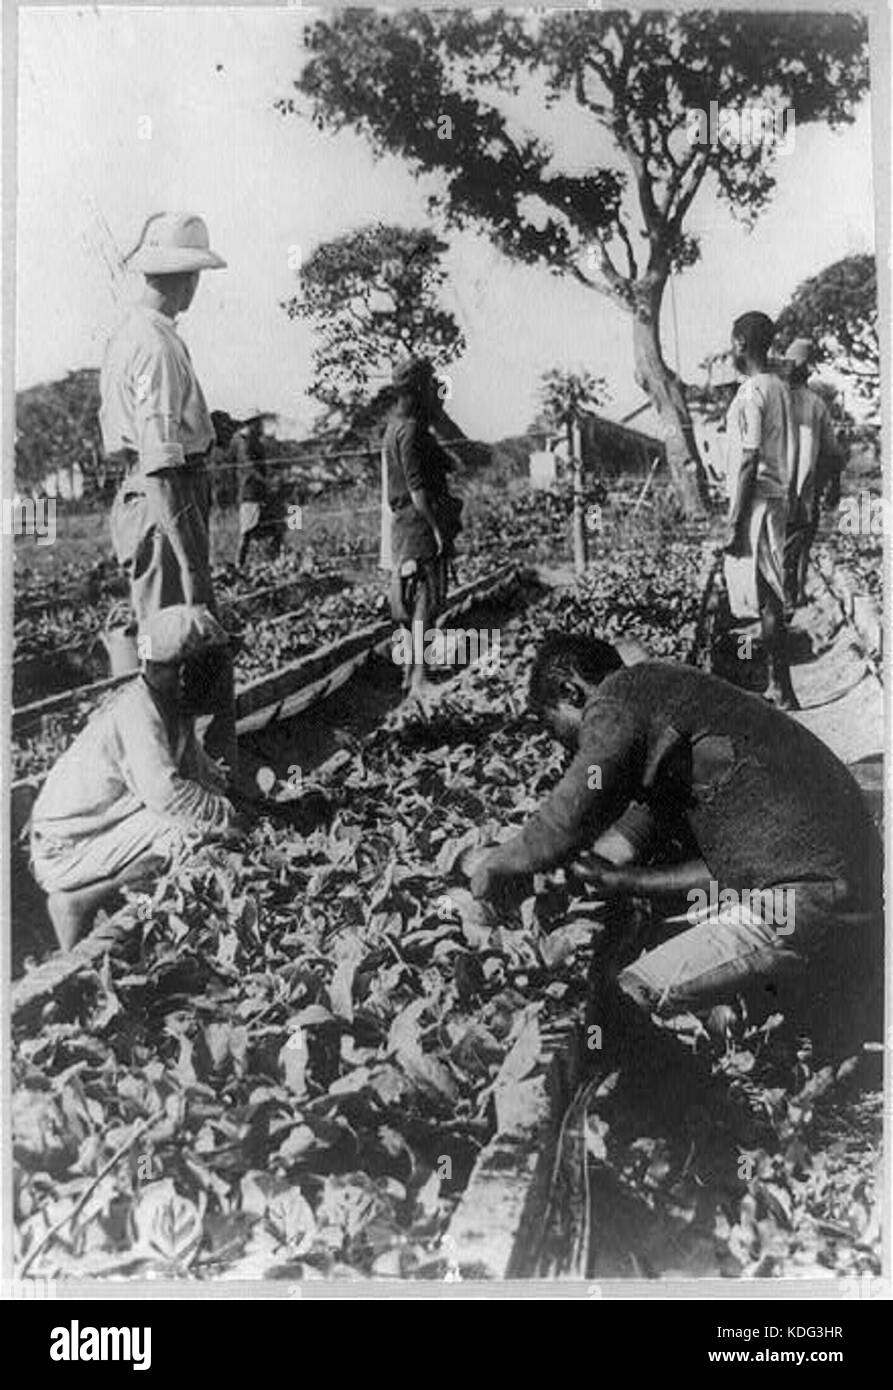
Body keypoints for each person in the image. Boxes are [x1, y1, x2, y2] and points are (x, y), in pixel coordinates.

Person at [469, 633, 882, 1054]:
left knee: (630, 996)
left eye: (560, 731)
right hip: (833, 884)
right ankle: (760, 1008)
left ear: (572, 691)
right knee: (662, 939)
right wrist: (613, 873)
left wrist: (495, 867)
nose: (572, 748)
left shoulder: (615, 700)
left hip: (806, 905)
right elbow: (648, 827)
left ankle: (745, 1049)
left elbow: (567, 816)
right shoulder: (664, 694)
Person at [99, 211, 238, 774]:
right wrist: (196, 571)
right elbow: (161, 467)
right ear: (187, 276)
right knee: (181, 650)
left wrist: (206, 429)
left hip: (151, 496)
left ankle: (192, 779)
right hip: (165, 503)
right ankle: (187, 790)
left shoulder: (134, 334)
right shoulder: (155, 347)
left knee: (177, 653)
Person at [30, 605, 243, 951]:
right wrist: (228, 818)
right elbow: (170, 796)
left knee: (196, 823)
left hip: (95, 830)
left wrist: (238, 803)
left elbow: (201, 774)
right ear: (183, 672)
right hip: (64, 848)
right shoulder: (138, 714)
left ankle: (100, 901)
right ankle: (78, 903)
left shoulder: (171, 708)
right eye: (211, 668)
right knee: (186, 832)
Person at [723, 311, 799, 709]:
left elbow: (749, 459)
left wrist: (735, 521)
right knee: (771, 593)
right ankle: (781, 685)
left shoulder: (753, 391)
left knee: (768, 596)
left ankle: (780, 688)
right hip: (775, 497)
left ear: (740, 342)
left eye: (732, 341)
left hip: (757, 501)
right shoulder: (779, 387)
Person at [384, 357, 463, 697]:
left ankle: (409, 674)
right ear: (415, 390)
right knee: (423, 602)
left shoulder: (396, 426)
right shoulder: (412, 429)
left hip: (404, 521)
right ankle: (419, 679)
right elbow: (417, 490)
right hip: (418, 521)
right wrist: (436, 530)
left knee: (411, 598)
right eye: (427, 385)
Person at [782, 339, 843, 609]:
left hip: (776, 486)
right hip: (806, 488)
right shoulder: (817, 405)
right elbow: (832, 452)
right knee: (803, 542)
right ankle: (796, 594)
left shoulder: (775, 399)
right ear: (808, 371)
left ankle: (783, 595)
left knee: (780, 543)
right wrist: (834, 485)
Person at [236, 415, 285, 565]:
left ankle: (277, 559)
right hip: (251, 494)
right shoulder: (246, 444)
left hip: (262, 493)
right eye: (258, 424)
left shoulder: (258, 443)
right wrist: (267, 481)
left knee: (281, 525)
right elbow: (251, 469)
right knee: (247, 532)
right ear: (251, 425)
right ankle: (239, 564)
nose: (262, 426)